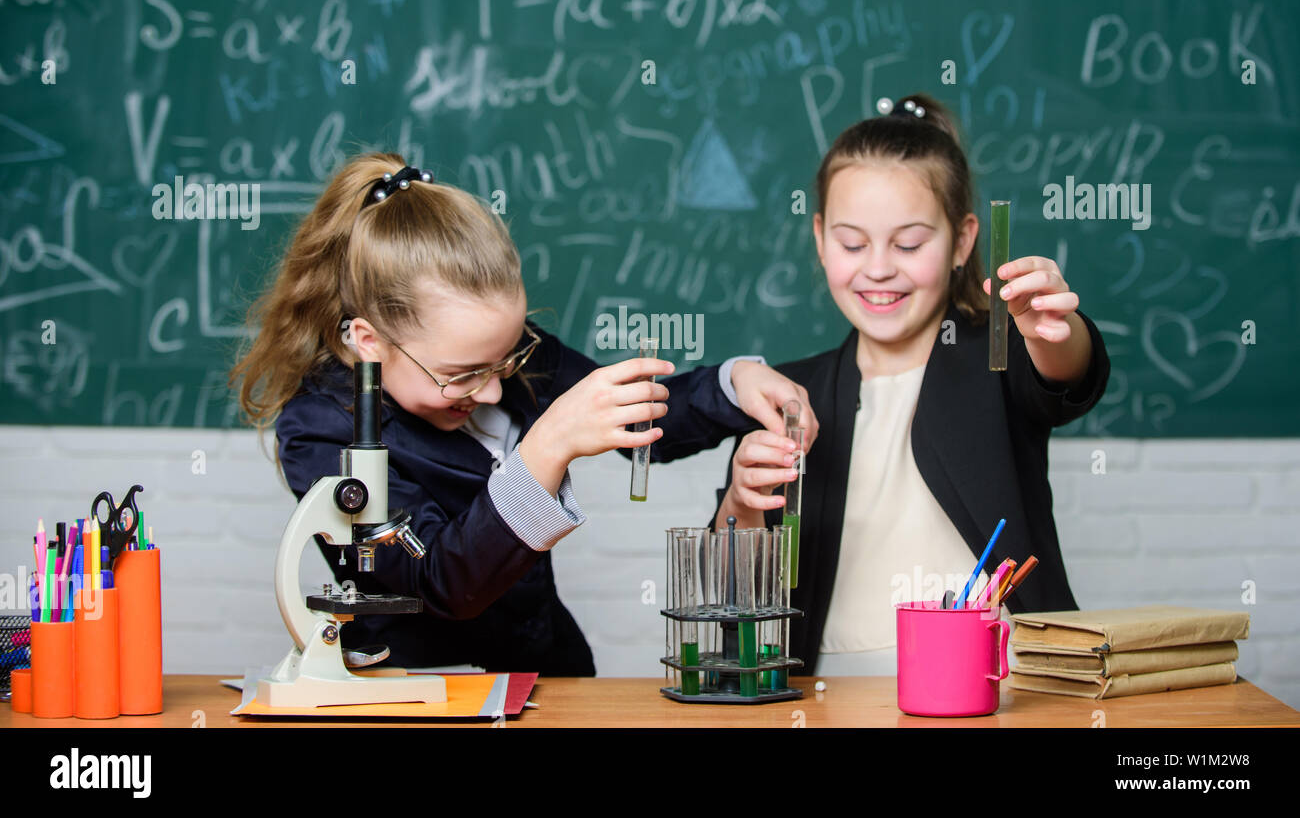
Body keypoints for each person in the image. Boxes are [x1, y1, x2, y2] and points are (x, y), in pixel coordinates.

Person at [230, 152, 817, 676]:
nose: (489, 392)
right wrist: (550, 444)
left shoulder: (501, 356)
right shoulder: (320, 431)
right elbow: (440, 583)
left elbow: (642, 421)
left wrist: (735, 382)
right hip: (422, 697)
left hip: (549, 680)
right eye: (459, 375)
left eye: (505, 359)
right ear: (367, 340)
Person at [711, 94, 1110, 675]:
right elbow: (729, 609)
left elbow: (1068, 373)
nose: (877, 268)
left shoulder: (999, 359)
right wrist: (741, 505)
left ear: (963, 240)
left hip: (1004, 695)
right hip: (833, 703)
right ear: (820, 238)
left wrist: (1052, 328)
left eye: (909, 244)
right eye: (852, 244)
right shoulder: (789, 393)